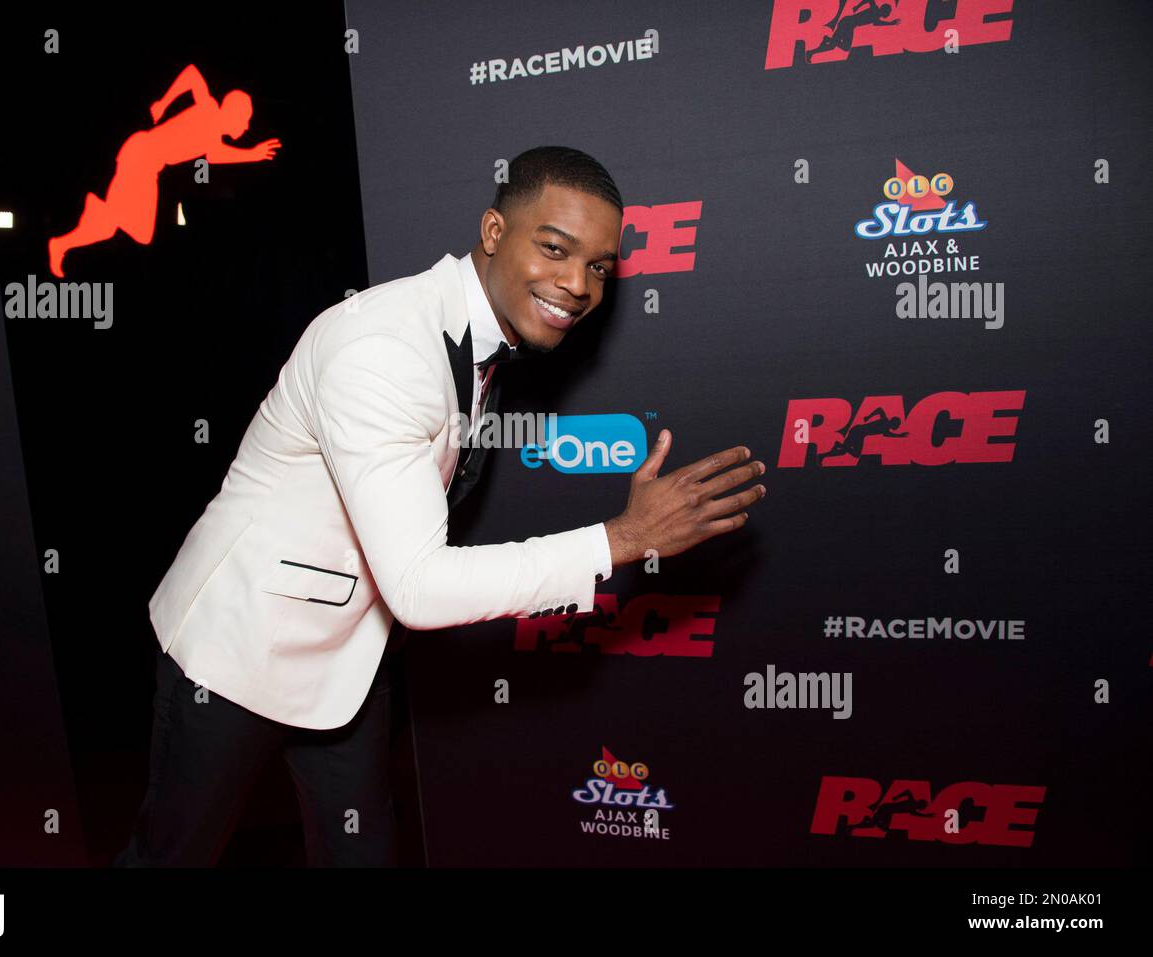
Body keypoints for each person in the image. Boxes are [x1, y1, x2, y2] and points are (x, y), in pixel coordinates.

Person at [113, 145, 767, 866]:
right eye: (555, 248)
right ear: (493, 232)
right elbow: (420, 585)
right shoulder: (385, 349)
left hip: (346, 658)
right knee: (170, 856)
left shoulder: (480, 337)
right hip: (234, 648)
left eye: (600, 268)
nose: (578, 284)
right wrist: (618, 538)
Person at [48, 63, 280, 277]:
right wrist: (163, 102)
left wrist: (252, 154)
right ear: (233, 113)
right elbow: (191, 72)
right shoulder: (209, 110)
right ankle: (86, 221)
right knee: (121, 227)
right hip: (141, 157)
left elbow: (216, 155)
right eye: (245, 119)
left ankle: (88, 222)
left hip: (149, 165)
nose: (247, 126)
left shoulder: (212, 133)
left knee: (140, 232)